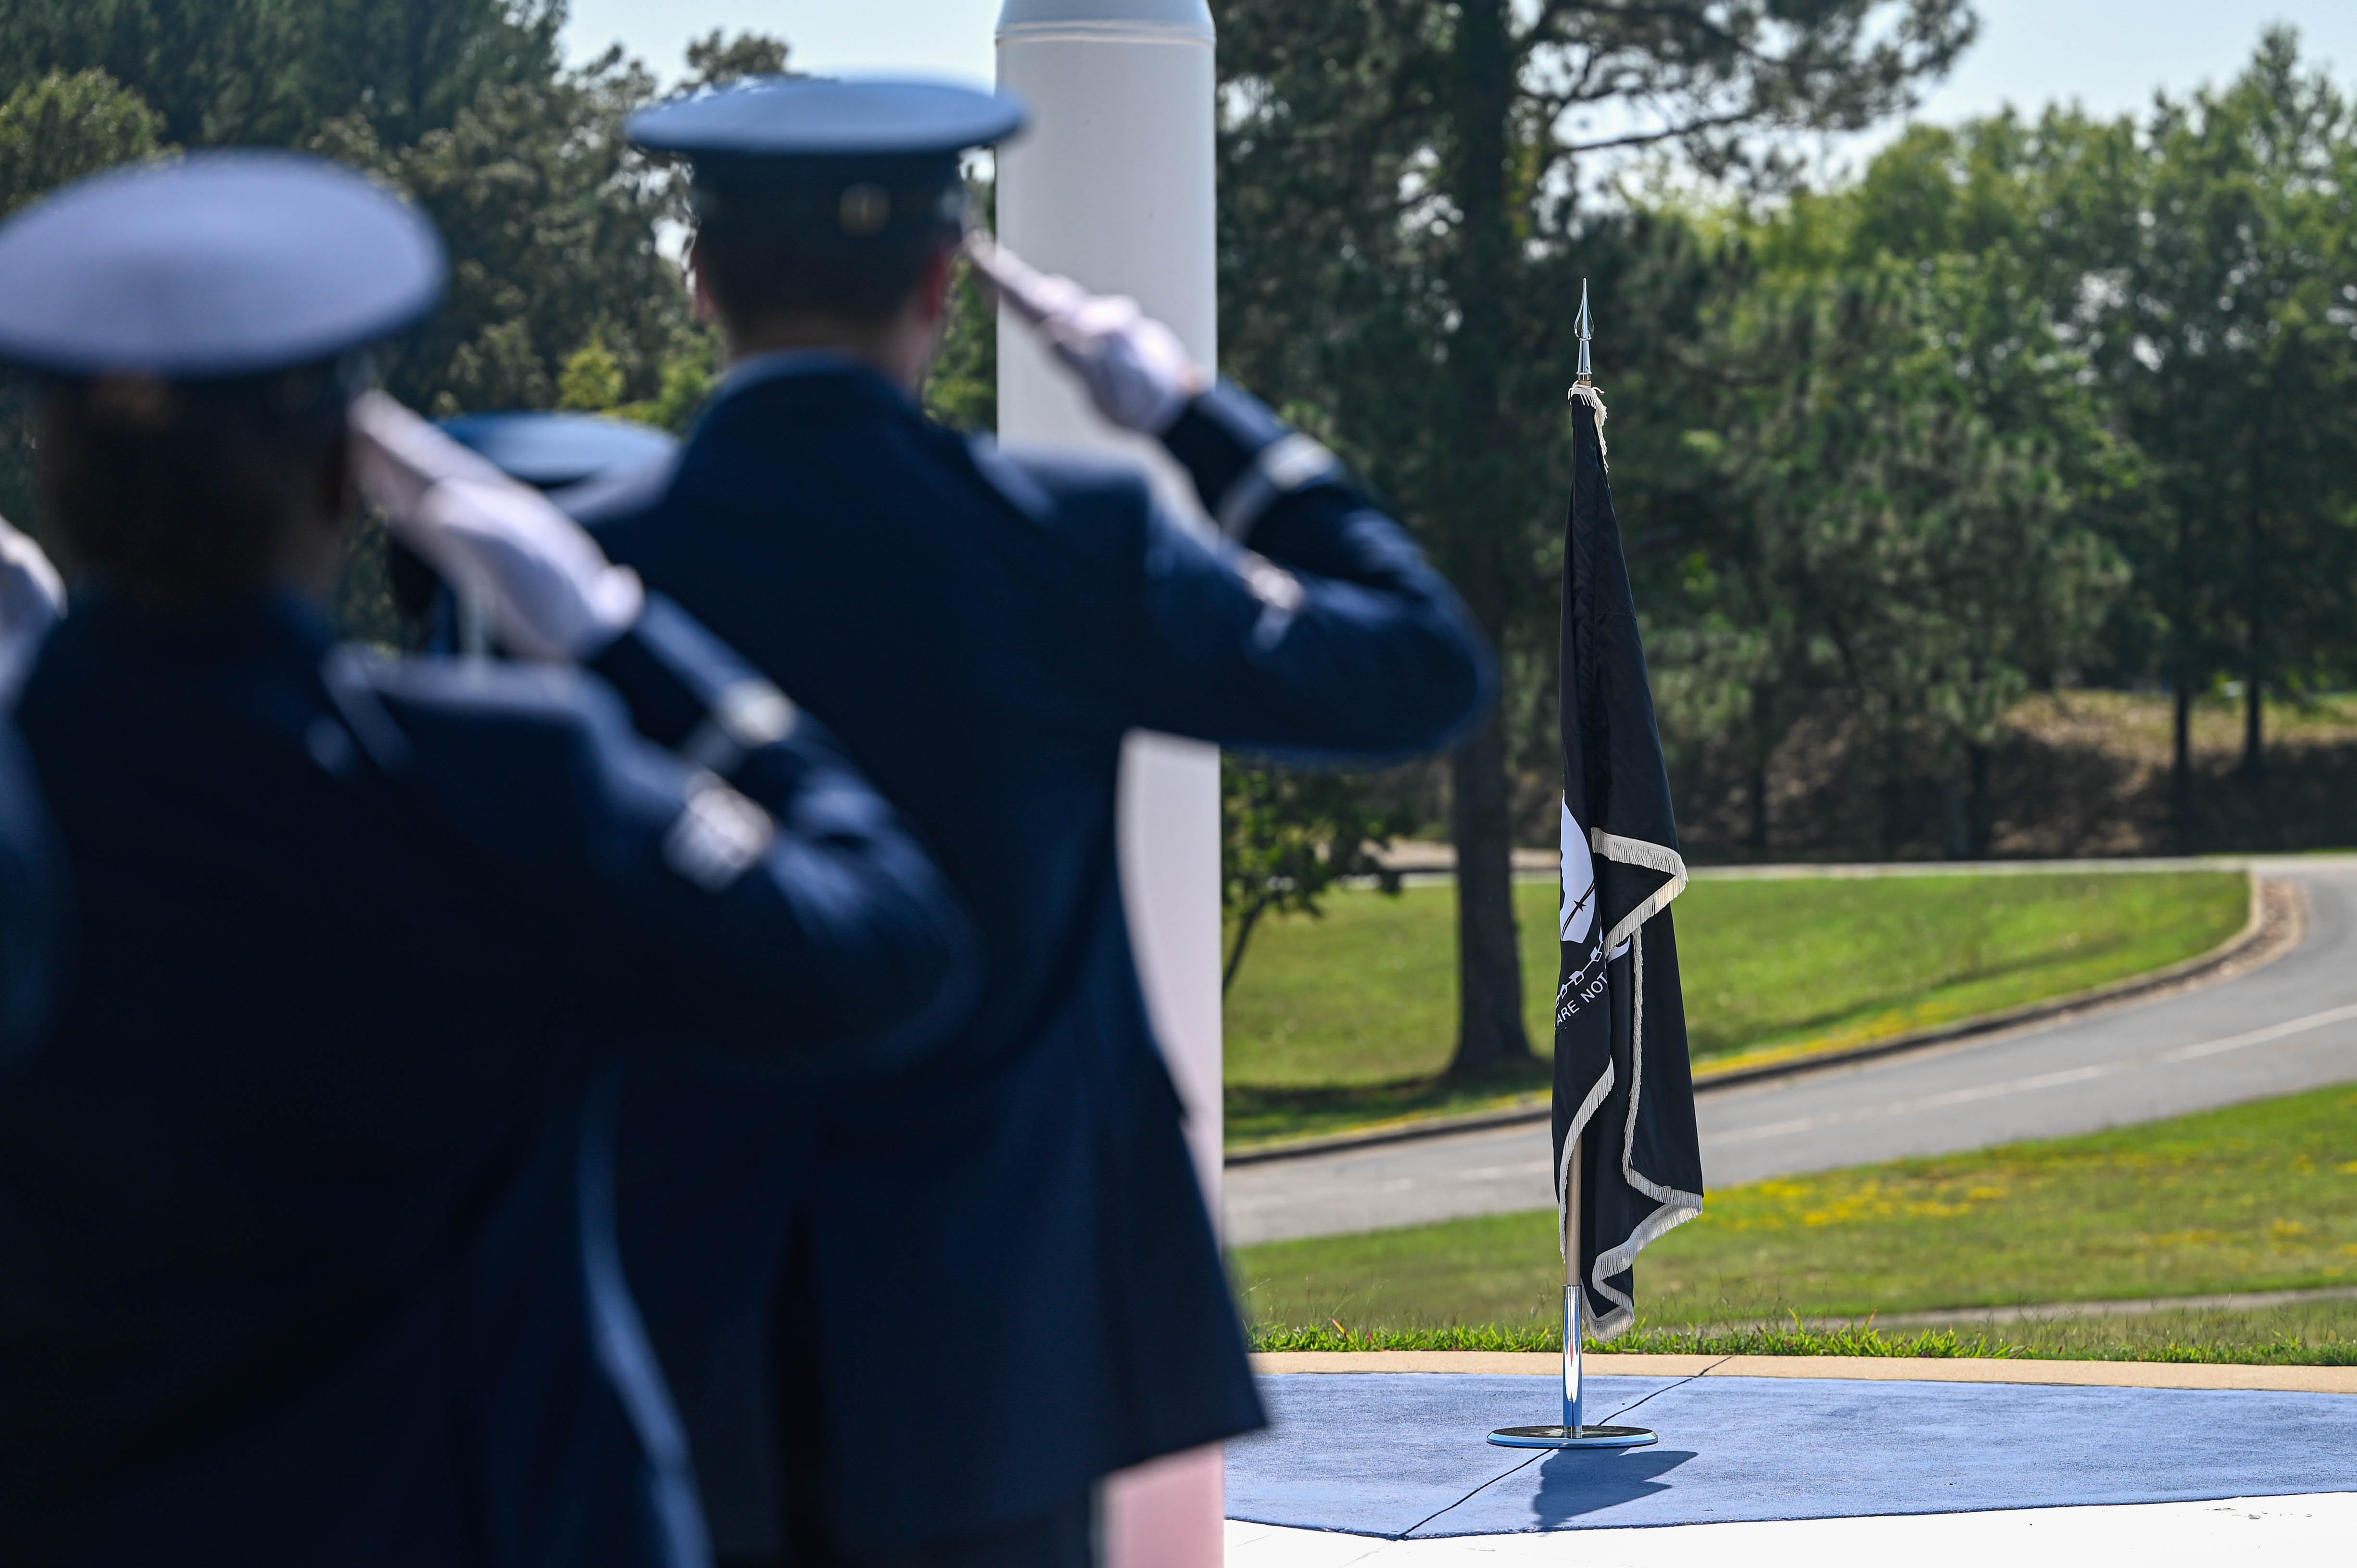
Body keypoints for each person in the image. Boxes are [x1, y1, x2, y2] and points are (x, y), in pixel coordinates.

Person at [0, 151, 971, 1566]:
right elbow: (885, 947)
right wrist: (629, 638)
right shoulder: (501, 776)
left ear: (60, 474)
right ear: (345, 473)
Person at [604, 77, 1497, 1567]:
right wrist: (1203, 426)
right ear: (944, 286)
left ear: (701, 283)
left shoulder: (595, 568)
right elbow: (1417, 671)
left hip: (681, 1322)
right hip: (997, 1342)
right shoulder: (1069, 540)